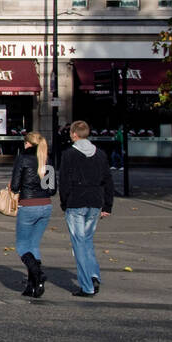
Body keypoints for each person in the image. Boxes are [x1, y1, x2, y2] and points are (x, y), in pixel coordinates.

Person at [59, 120, 113, 297]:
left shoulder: (69, 154)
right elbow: (108, 180)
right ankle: (93, 274)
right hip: (95, 201)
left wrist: (64, 202)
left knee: (79, 243)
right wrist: (108, 205)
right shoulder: (100, 154)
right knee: (87, 241)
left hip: (76, 201)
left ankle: (87, 285)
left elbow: (64, 181)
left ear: (74, 134)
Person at [10, 131, 55, 298]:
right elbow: (52, 189)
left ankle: (38, 274)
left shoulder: (22, 158)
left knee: (22, 246)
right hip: (45, 205)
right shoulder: (46, 158)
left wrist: (20, 187)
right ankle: (33, 285)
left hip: (28, 205)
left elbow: (14, 186)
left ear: (27, 143)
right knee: (34, 245)